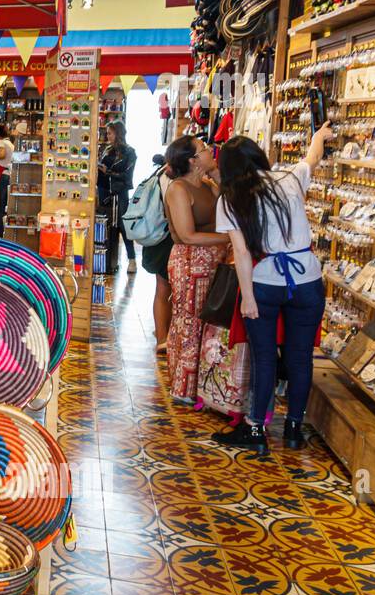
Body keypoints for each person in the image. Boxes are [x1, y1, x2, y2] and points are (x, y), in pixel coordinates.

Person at [212, 126, 331, 452]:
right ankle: (294, 428)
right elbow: (313, 156)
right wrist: (319, 133)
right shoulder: (290, 180)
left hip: (264, 282)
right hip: (306, 279)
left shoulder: (230, 200)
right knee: (300, 358)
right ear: (259, 157)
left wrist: (247, 298)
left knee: (264, 358)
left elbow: (242, 253)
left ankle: (255, 432)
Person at [163, 135, 229, 403]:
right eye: (204, 150)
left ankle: (202, 386)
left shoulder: (207, 184)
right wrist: (228, 238)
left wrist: (214, 170)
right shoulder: (178, 189)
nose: (211, 150)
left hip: (212, 261)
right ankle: (183, 387)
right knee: (188, 323)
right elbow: (187, 235)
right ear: (192, 160)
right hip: (189, 262)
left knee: (205, 325)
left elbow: (230, 202)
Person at [140, 153, 173, 352]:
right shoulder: (170, 178)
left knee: (164, 289)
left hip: (160, 236)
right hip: (166, 237)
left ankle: (163, 334)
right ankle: (162, 336)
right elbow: (171, 212)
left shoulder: (161, 174)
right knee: (164, 289)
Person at [99, 121, 138, 272]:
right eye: (107, 133)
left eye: (110, 133)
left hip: (120, 191)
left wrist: (107, 172)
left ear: (118, 133)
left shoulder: (130, 152)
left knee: (123, 224)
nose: (107, 136)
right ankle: (107, 260)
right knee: (105, 225)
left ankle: (132, 259)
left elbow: (127, 176)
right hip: (103, 189)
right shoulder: (107, 150)